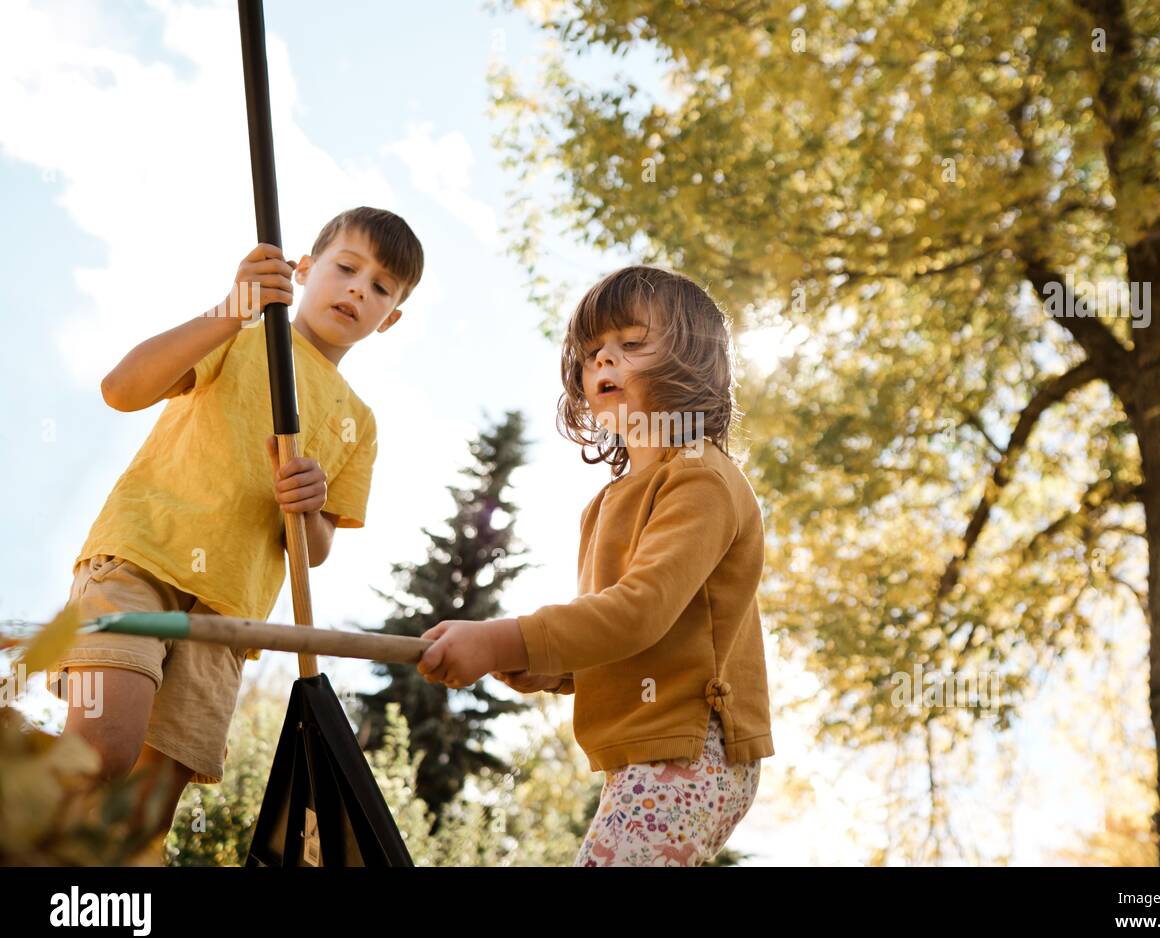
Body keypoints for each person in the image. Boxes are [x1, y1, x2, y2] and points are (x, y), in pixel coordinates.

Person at [49, 207, 423, 859]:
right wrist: (232, 308)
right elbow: (121, 388)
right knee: (101, 751)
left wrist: (307, 508)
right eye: (346, 267)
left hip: (229, 617)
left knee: (146, 814)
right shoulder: (244, 336)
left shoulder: (358, 423)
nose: (361, 288)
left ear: (390, 318)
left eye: (383, 287)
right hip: (141, 560)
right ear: (304, 270)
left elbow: (315, 550)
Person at [418, 265, 774, 866]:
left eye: (632, 344)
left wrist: (508, 640)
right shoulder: (609, 502)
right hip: (646, 754)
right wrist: (552, 670)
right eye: (592, 352)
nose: (605, 360)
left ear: (692, 364)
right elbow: (629, 641)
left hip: (692, 749)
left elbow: (640, 612)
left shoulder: (699, 476)